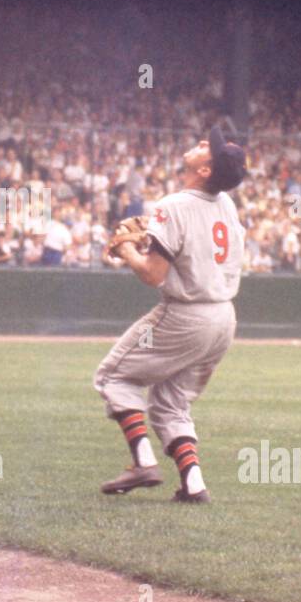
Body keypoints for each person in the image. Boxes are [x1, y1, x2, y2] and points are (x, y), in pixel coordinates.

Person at [94, 128, 248, 504]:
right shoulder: (226, 203)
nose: (198, 144)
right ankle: (194, 485)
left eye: (205, 149)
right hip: (223, 320)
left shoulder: (173, 205)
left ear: (207, 170)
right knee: (171, 402)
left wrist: (127, 249)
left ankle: (144, 462)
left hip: (185, 316)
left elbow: (152, 274)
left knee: (115, 377)